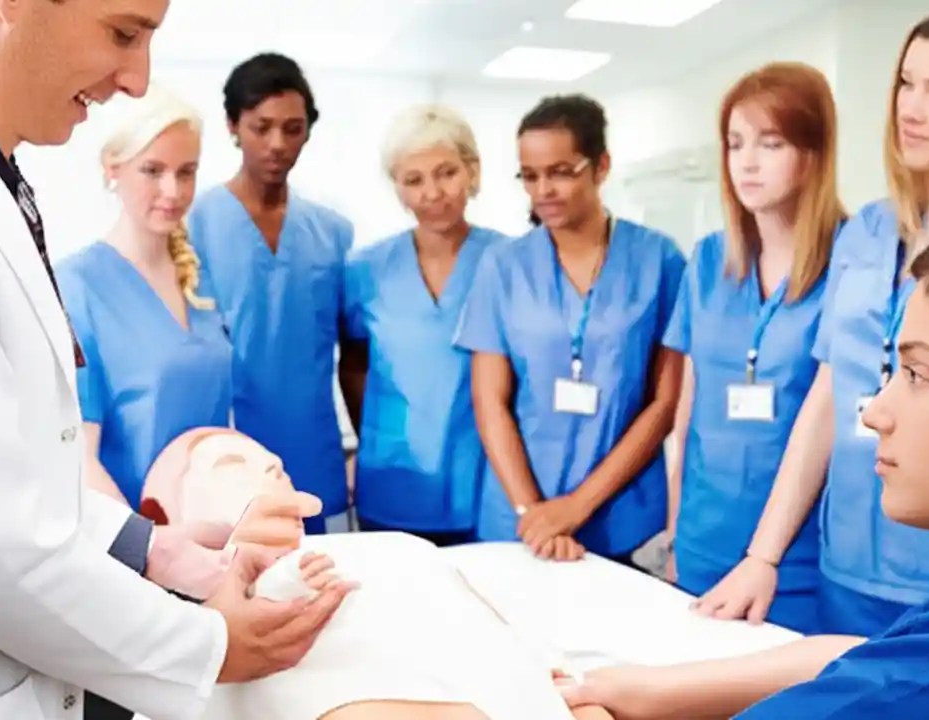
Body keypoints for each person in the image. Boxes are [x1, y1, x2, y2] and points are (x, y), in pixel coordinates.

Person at [0, 2, 348, 718]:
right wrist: (208, 647)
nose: (138, 79)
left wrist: (163, 552)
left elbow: (6, 477)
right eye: (123, 32)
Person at [562, 201, 929, 718]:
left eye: (917, 375)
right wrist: (659, 690)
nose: (874, 412)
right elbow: (872, 655)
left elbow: (911, 676)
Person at [690, 0, 929, 638]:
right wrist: (764, 556)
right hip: (846, 566)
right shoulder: (867, 230)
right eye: (905, 84)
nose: (909, 110)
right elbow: (828, 395)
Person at [140, 427, 612, 720]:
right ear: (167, 520)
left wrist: (561, 690)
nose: (271, 462)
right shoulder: (215, 626)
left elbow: (508, 639)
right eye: (232, 464)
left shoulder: (398, 547)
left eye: (268, 455)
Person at [455, 94, 686, 564]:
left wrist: (576, 508)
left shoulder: (658, 260)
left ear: (601, 166)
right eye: (531, 175)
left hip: (617, 512)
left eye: (562, 171)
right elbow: (490, 401)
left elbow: (665, 402)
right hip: (519, 515)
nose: (544, 190)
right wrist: (534, 514)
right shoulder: (503, 266)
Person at [663, 62, 845, 634]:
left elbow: (831, 414)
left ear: (813, 153)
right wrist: (673, 535)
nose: (746, 161)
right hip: (699, 541)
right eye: (735, 143)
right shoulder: (710, 260)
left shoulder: (853, 258)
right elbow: (686, 410)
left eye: (771, 143)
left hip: (796, 561)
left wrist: (763, 556)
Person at [188, 52, 353, 535]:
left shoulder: (332, 232)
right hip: (232, 451)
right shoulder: (192, 227)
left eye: (293, 128)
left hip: (316, 446)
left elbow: (351, 350)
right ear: (232, 125)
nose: (278, 144)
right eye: (262, 127)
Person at [56, 83, 235, 513]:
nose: (172, 191)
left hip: (213, 532)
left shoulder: (203, 279)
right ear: (112, 168)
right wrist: (151, 550)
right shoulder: (78, 285)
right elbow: (79, 459)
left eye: (186, 171)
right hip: (131, 541)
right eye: (153, 170)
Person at [339, 104, 507, 547]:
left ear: (472, 170)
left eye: (446, 172)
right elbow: (353, 364)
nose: (432, 192)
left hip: (482, 480)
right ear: (397, 188)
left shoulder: (510, 263)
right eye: (413, 180)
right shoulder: (366, 269)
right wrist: (376, 437)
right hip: (393, 478)